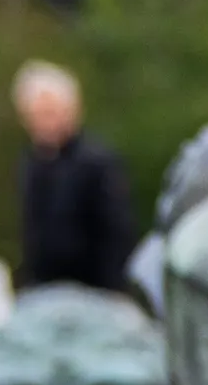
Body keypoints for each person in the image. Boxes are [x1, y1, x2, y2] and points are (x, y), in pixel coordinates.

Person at [14, 60, 140, 296]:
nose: (44, 122)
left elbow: (116, 233)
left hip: (93, 291)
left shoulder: (96, 163)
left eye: (50, 113)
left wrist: (113, 293)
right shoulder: (32, 164)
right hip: (45, 291)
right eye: (37, 114)